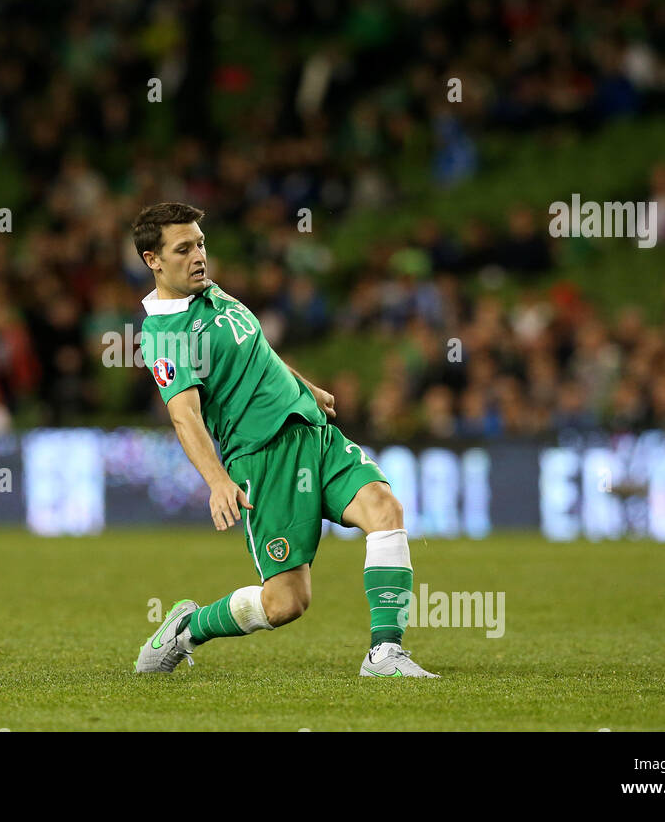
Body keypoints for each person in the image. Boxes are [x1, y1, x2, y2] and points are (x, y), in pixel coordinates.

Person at [131, 202, 436, 678]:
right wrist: (217, 482)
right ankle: (187, 629)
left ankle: (385, 654)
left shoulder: (209, 292)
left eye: (201, 244)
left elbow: (256, 349)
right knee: (286, 603)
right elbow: (185, 416)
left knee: (385, 507)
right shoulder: (165, 336)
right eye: (184, 248)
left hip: (313, 433)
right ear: (153, 260)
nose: (199, 256)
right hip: (262, 457)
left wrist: (303, 386)